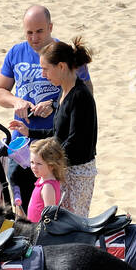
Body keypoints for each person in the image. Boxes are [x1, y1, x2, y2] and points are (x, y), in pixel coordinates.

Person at [0, 5, 92, 208]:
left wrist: (54, 105)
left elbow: (84, 93)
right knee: (24, 207)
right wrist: (17, 101)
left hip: (55, 147)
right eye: (29, 32)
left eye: (39, 31)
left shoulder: (62, 54)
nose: (34, 37)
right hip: (22, 144)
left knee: (49, 210)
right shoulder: (16, 53)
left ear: (50, 27)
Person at [39, 37, 98, 215]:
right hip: (64, 168)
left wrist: (49, 162)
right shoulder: (64, 92)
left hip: (78, 172)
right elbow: (59, 133)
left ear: (62, 67)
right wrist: (30, 132)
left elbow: (75, 140)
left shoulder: (80, 96)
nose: (43, 75)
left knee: (73, 225)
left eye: (46, 69)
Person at [26, 139, 67, 222]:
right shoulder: (42, 179)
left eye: (39, 163)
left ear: (51, 165)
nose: (34, 166)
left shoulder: (47, 187)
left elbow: (49, 217)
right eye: (32, 162)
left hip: (39, 231)